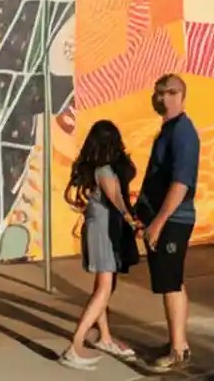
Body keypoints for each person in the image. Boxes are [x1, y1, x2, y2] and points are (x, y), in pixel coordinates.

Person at [59, 119, 142, 370]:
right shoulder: (105, 170)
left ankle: (105, 337)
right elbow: (115, 196)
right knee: (105, 287)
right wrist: (131, 220)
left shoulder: (94, 168)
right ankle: (75, 344)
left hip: (96, 227)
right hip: (103, 230)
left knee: (105, 284)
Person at [135, 73, 200, 372]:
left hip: (173, 219)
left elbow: (180, 183)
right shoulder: (169, 131)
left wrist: (159, 222)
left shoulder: (183, 133)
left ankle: (176, 351)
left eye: (168, 92)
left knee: (170, 283)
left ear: (180, 95)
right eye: (158, 92)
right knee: (173, 281)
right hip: (164, 218)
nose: (161, 97)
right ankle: (178, 342)